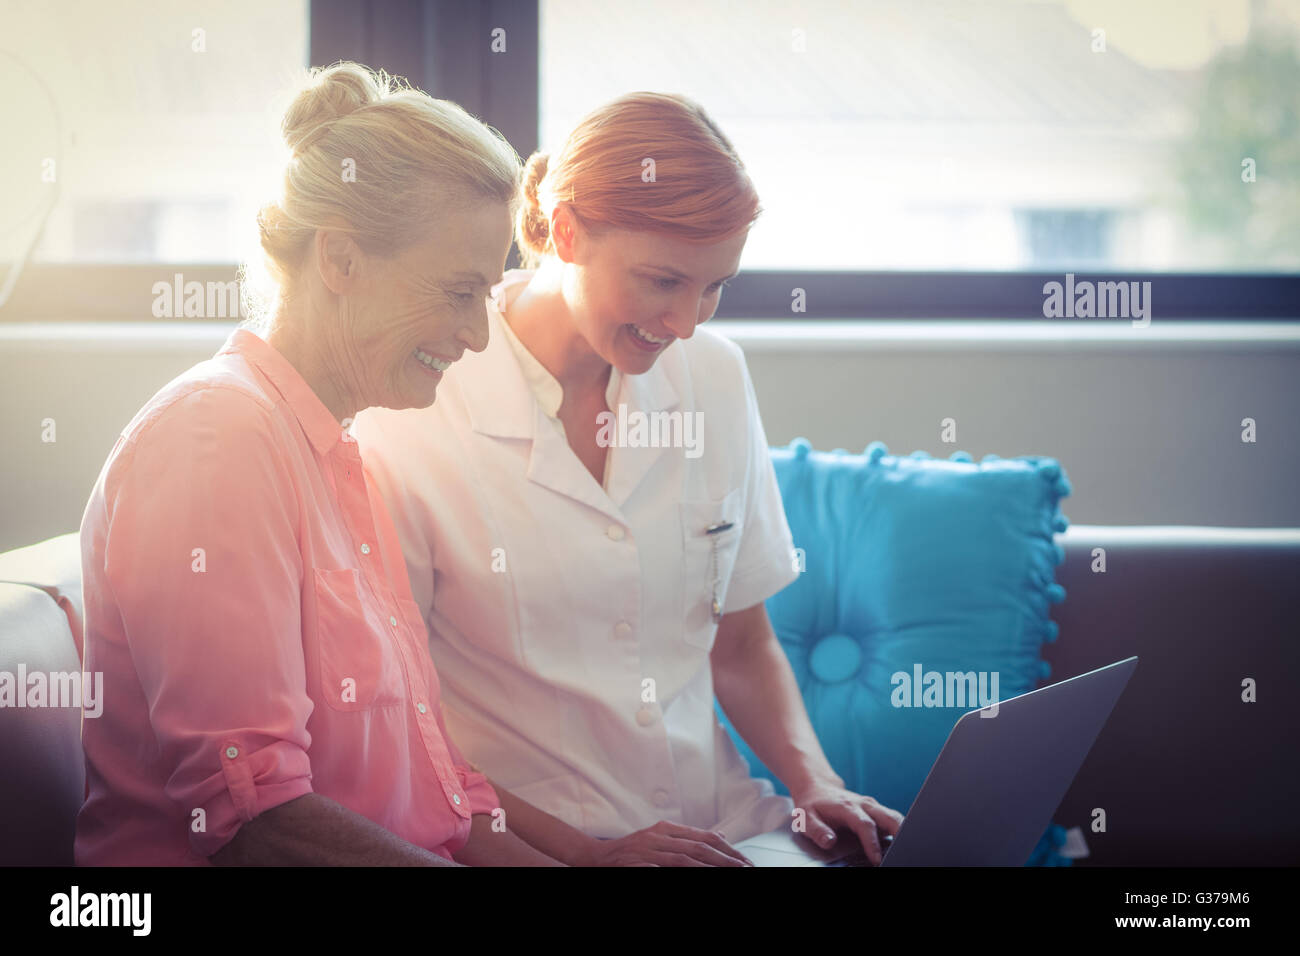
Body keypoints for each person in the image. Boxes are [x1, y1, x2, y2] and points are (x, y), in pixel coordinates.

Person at [74, 62, 630, 866]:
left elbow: (443, 798)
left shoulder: (337, 454)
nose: (477, 336)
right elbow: (259, 821)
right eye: (455, 292)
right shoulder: (217, 436)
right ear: (339, 261)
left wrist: (588, 862)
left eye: (488, 294)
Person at [352, 91, 904, 866]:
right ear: (567, 233)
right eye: (662, 281)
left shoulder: (712, 375)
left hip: (727, 832)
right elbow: (403, 729)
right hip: (533, 850)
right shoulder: (417, 407)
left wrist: (817, 784)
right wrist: (587, 856)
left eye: (715, 287)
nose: (686, 323)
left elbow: (741, 645)